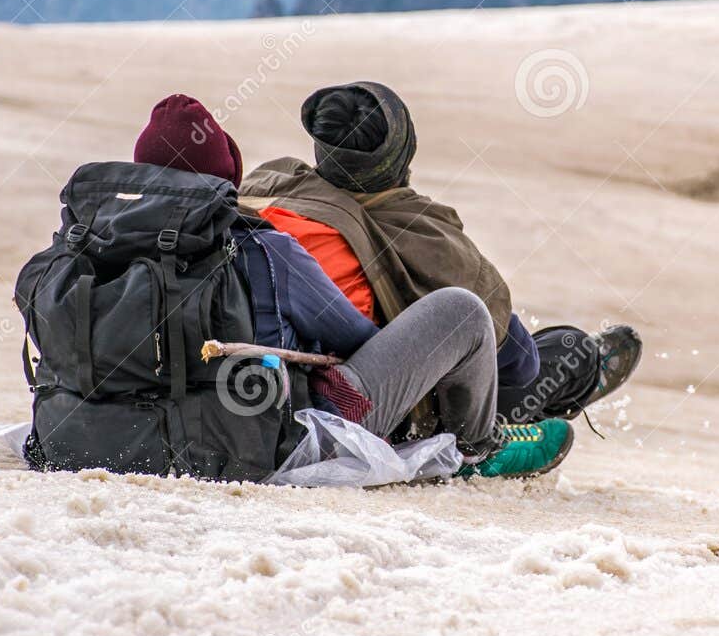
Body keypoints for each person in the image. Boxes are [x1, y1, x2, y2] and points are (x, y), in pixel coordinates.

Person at [131, 94, 574, 477]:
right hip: (283, 439)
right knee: (468, 314)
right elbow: (363, 341)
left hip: (158, 430)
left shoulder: (105, 248)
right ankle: (477, 453)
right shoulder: (271, 248)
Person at [237, 81, 642, 427]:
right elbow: (518, 361)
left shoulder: (270, 189)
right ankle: (582, 371)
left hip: (260, 385)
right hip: (371, 405)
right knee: (563, 351)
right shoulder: (421, 232)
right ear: (401, 151)